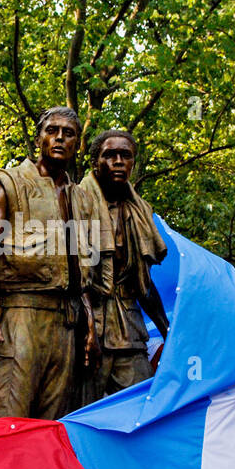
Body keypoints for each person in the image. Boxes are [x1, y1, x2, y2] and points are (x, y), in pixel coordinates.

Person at [0, 107, 103, 419]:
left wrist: (90, 324)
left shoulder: (81, 198)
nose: (59, 138)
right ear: (39, 138)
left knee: (53, 426)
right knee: (8, 416)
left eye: (68, 133)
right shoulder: (8, 184)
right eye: (52, 131)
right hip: (20, 315)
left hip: (67, 323)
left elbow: (81, 267)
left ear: (78, 143)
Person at [77, 130, 169, 405]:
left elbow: (144, 282)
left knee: (141, 407)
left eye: (125, 156)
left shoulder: (140, 212)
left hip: (128, 328)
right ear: (95, 162)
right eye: (109, 155)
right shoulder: (72, 203)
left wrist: (168, 331)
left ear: (133, 163)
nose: (118, 161)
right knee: (81, 414)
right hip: (84, 329)